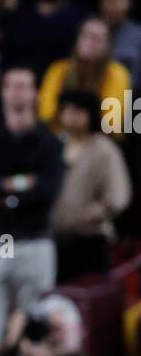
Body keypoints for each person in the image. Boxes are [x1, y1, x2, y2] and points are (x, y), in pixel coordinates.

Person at [0, 68, 64, 356]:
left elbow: (48, 191)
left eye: (25, 85)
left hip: (35, 241)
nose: (19, 92)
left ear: (35, 93)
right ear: (3, 93)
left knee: (35, 328)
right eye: (13, 86)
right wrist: (21, 187)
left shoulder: (49, 142)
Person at [51, 89, 132, 281]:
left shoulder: (104, 149)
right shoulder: (53, 146)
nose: (71, 115)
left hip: (91, 239)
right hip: (55, 238)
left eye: (77, 110)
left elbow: (118, 197)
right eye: (66, 109)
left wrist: (88, 215)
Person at [38, 17, 132, 131]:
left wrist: (82, 119)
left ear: (107, 46)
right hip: (59, 135)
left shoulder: (118, 73)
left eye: (97, 39)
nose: (90, 42)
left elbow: (112, 120)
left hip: (99, 136)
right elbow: (45, 112)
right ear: (77, 40)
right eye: (86, 36)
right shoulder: (58, 70)